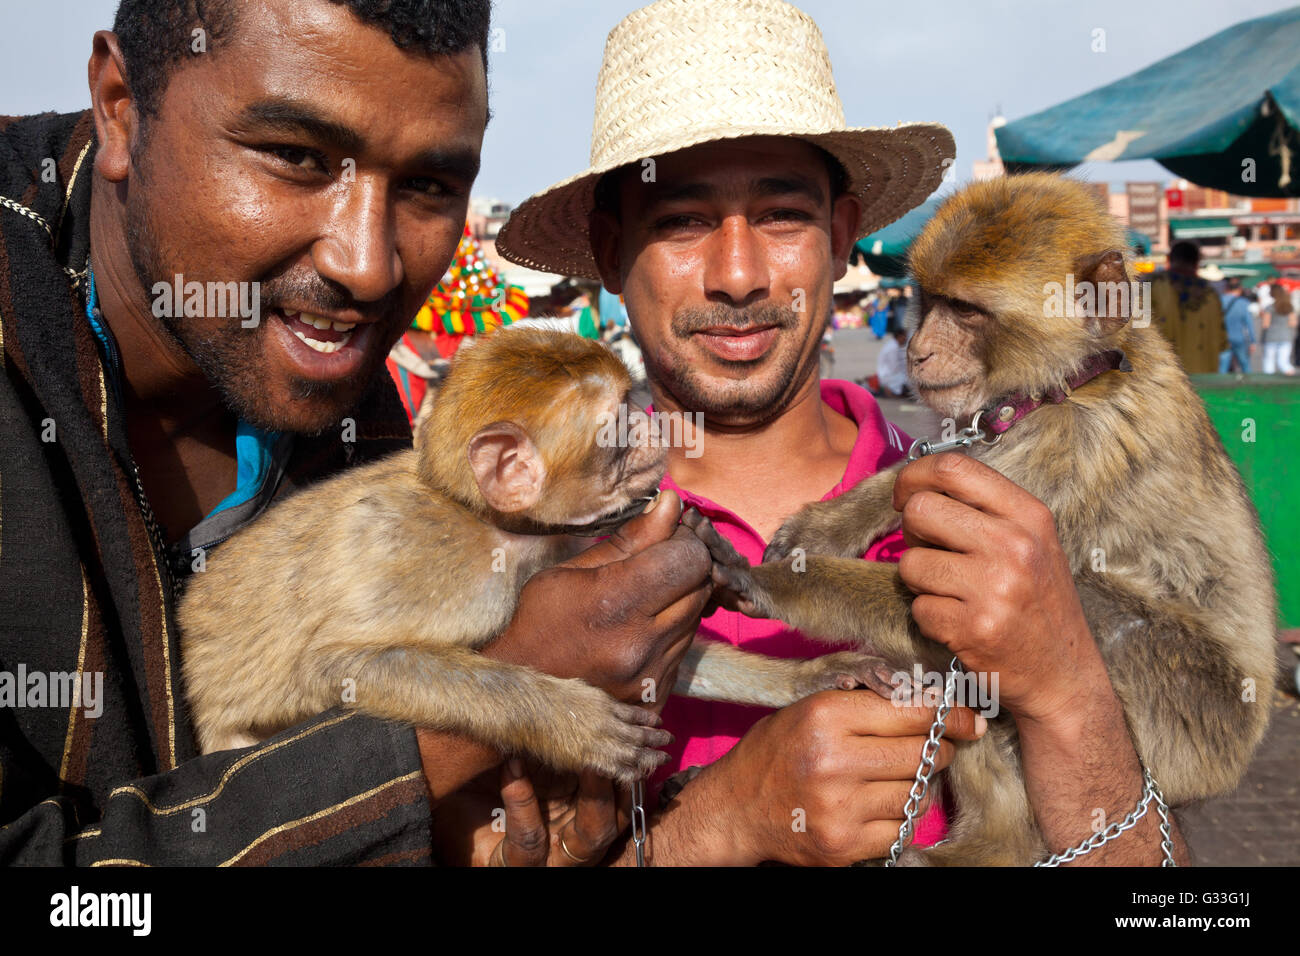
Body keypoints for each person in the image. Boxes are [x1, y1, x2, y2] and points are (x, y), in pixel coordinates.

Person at [0, 0, 706, 866]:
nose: (367, 264)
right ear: (119, 104)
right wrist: (464, 732)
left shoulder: (343, 394)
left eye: (429, 185)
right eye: (296, 157)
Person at [483, 0, 1189, 865]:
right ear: (610, 248)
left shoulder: (1002, 519)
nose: (737, 275)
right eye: (682, 222)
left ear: (842, 237)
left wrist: (1071, 695)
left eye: (781, 216)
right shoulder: (518, 546)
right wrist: (721, 823)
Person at [1149, 241, 1226, 373]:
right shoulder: (1211, 295)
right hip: (1204, 381)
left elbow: (1136, 336)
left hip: (1164, 379)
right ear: (1197, 263)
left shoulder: (1146, 287)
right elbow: (1222, 342)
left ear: (1168, 259)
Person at [1218, 277, 1256, 374]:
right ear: (1239, 289)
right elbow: (1249, 324)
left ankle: (1220, 387)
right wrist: (1252, 341)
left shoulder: (1218, 300)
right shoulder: (1243, 303)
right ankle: (1249, 387)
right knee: (1245, 365)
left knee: (1223, 367)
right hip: (1239, 338)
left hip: (1223, 338)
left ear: (1227, 288)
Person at [1261, 282, 1298, 375]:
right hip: (1286, 337)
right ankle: (1293, 381)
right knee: (1284, 362)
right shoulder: (1289, 307)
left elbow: (1265, 324)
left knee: (1269, 362)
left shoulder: (1270, 307)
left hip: (1271, 337)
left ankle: (1268, 384)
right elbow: (1293, 323)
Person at [874, 326, 911, 398]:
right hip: (887, 375)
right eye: (905, 336)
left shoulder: (893, 344)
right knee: (907, 379)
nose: (906, 339)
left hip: (888, 373)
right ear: (900, 336)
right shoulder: (893, 348)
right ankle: (888, 390)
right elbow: (894, 367)